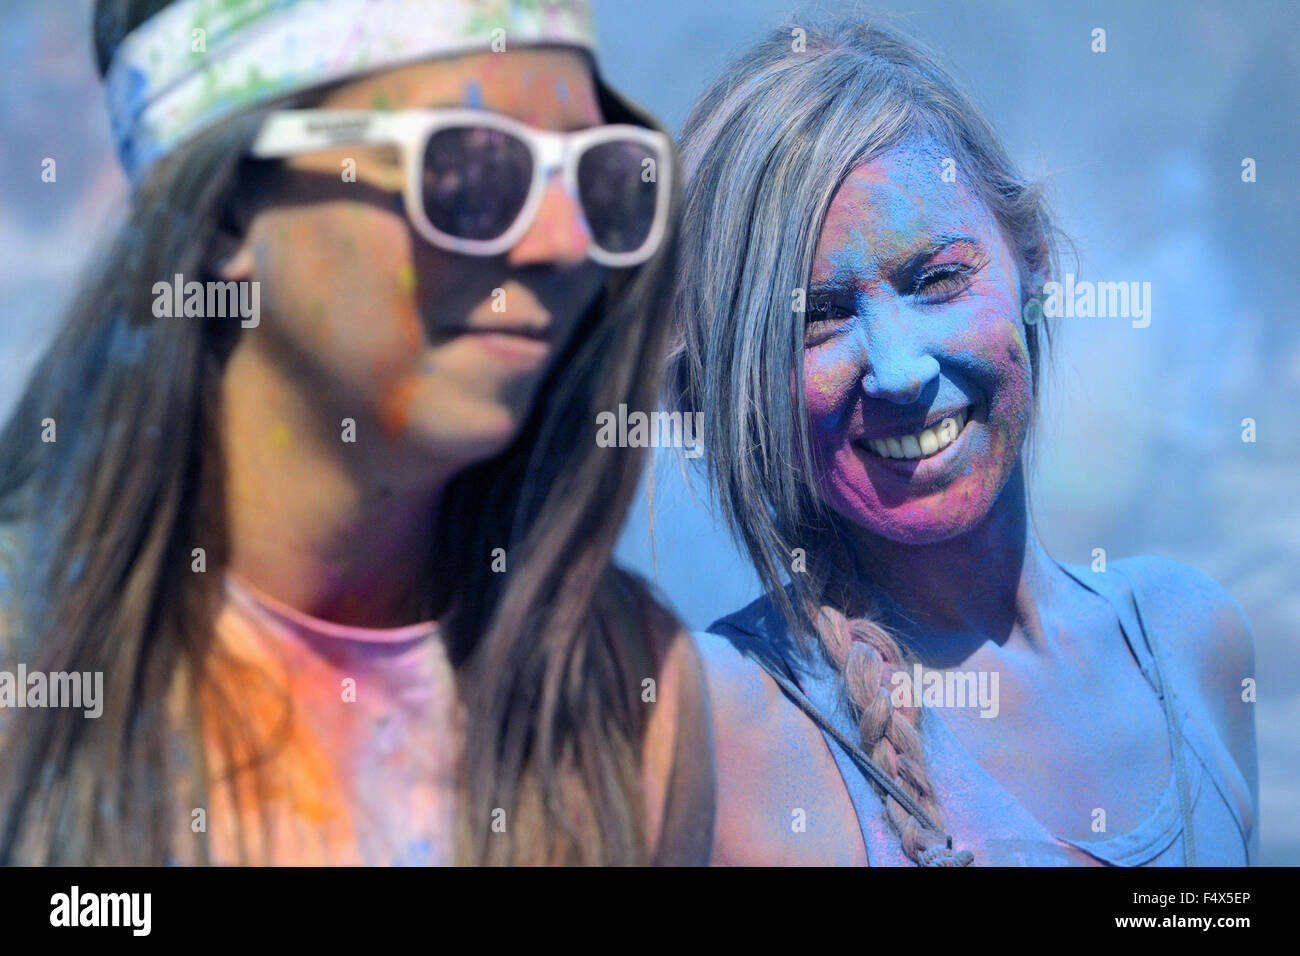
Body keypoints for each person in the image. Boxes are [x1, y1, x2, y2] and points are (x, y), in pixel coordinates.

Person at [0, 0, 713, 866]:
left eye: (598, 177)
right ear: (226, 214)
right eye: (468, 173)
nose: (566, 244)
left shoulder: (627, 701)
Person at [670, 19, 1256, 866]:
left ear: (1034, 261)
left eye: (939, 278)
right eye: (820, 320)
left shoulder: (1190, 640)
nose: (901, 370)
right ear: (736, 390)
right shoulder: (725, 724)